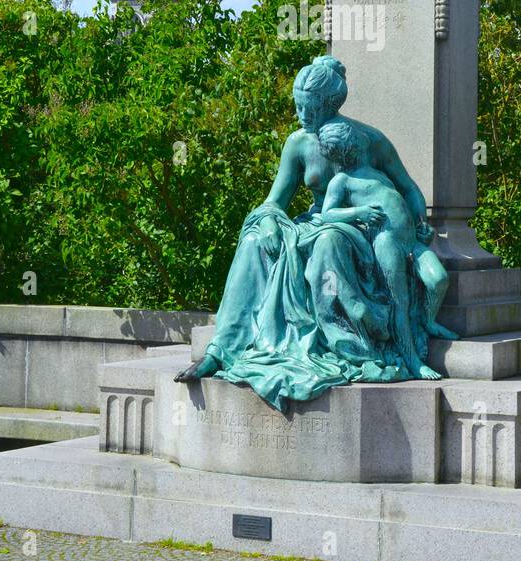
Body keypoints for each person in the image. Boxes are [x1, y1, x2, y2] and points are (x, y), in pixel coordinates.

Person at [175, 54, 450, 410]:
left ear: (330, 104)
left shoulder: (367, 140)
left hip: (359, 231)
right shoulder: (298, 143)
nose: (301, 114)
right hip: (316, 222)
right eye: (297, 105)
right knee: (254, 240)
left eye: (309, 107)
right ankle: (221, 349)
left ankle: (348, 344)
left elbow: (408, 187)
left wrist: (418, 218)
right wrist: (271, 220)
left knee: (329, 242)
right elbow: (275, 200)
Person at [317, 119, 454, 379]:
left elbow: (407, 193)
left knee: (439, 280)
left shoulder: (377, 171)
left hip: (410, 239)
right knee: (398, 301)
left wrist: (422, 223)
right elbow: (326, 214)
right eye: (353, 143)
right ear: (345, 152)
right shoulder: (342, 181)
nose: (360, 145)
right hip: (385, 241)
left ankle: (427, 320)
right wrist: (359, 212)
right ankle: (413, 361)